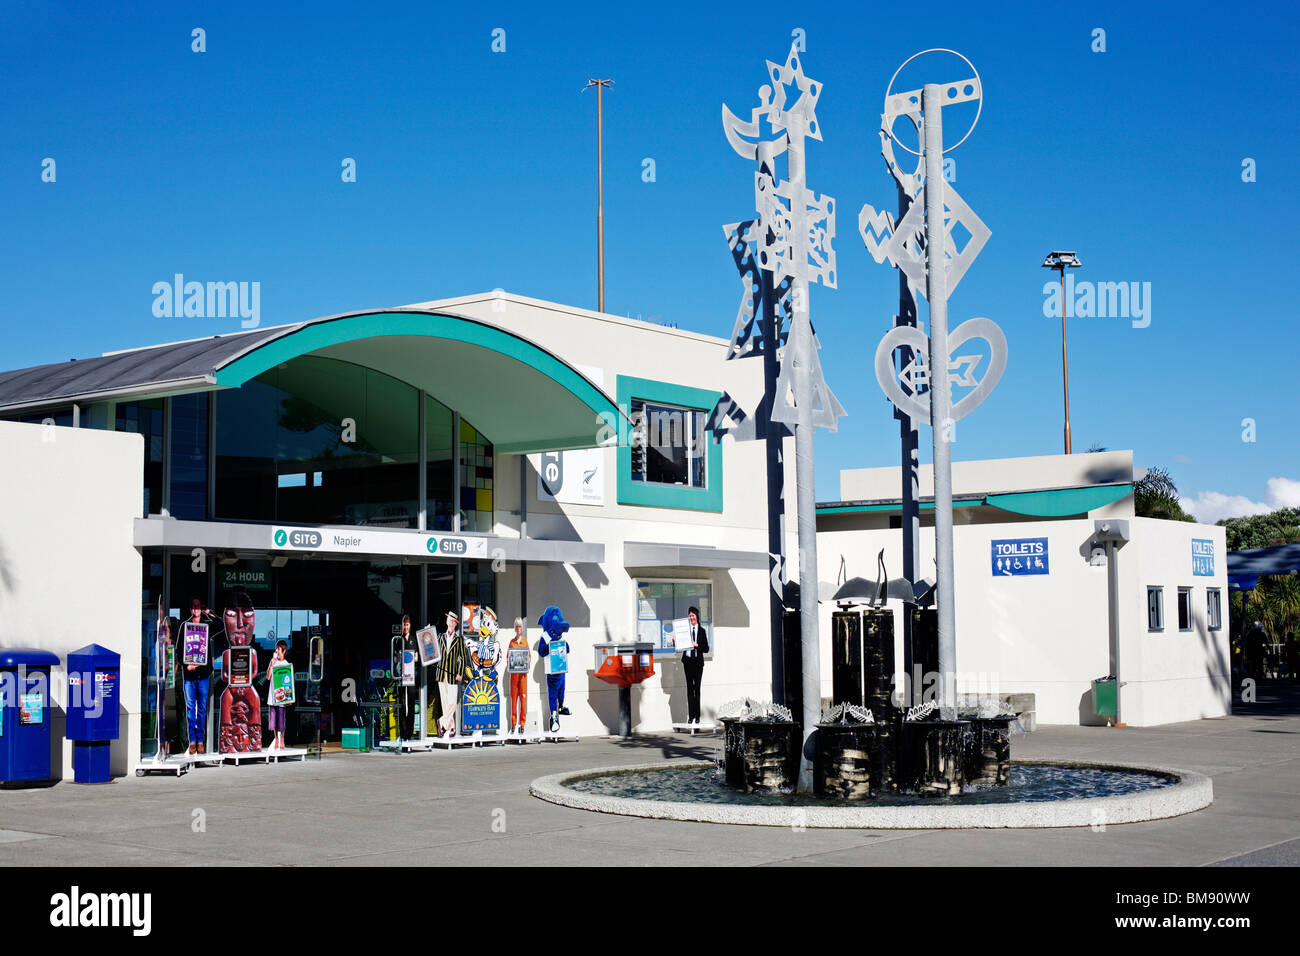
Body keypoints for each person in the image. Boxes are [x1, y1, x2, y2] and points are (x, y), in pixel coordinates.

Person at [181, 598, 220, 754]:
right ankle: (192, 740)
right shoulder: (185, 626)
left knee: (202, 709)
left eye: (198, 607)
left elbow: (221, 625)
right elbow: (179, 650)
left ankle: (200, 741)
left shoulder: (207, 626)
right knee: (191, 709)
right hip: (190, 676)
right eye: (194, 607)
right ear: (191, 609)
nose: (196, 609)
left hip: (203, 675)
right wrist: (186, 666)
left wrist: (208, 612)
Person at [435, 611, 471, 737]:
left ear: (455, 624)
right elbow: (431, 649)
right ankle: (450, 727)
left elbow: (463, 657)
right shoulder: (440, 637)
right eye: (449, 620)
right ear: (446, 622)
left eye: (452, 621)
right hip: (441, 673)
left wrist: (460, 673)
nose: (450, 623)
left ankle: (442, 721)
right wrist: (427, 632)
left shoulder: (458, 639)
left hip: (452, 674)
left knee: (452, 703)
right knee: (445, 703)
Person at [536, 606, 571, 733]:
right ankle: (554, 717)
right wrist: (549, 648)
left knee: (562, 690)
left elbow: (567, 648)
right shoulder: (545, 636)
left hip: (561, 669)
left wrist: (564, 646)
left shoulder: (560, 636)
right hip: (551, 671)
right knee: (552, 695)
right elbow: (541, 651)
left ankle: (561, 706)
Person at [680, 606, 709, 724]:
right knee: (689, 689)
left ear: (697, 616)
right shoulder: (685, 630)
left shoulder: (702, 631)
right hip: (687, 662)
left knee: (697, 689)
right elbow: (681, 645)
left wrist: (697, 645)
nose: (691, 617)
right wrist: (676, 642)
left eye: (693, 615)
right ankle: (691, 716)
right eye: (690, 616)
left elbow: (706, 648)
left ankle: (697, 717)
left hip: (697, 663)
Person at [265, 640, 290, 751]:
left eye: (278, 649)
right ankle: (276, 738)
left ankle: (282, 738)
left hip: (281, 696)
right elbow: (268, 677)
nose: (276, 651)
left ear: (283, 651)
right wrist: (272, 664)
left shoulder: (286, 664)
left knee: (281, 719)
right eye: (276, 649)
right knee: (273, 719)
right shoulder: (273, 662)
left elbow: (288, 682)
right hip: (272, 696)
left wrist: (288, 698)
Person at [507, 618, 530, 734]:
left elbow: (529, 657)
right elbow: (508, 657)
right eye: (516, 626)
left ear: (522, 628)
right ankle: (513, 723)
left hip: (523, 677)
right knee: (514, 700)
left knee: (523, 700)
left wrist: (526, 665)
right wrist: (510, 665)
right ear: (514, 628)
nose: (518, 629)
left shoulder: (525, 642)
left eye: (520, 626)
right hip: (514, 677)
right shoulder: (512, 642)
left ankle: (522, 724)